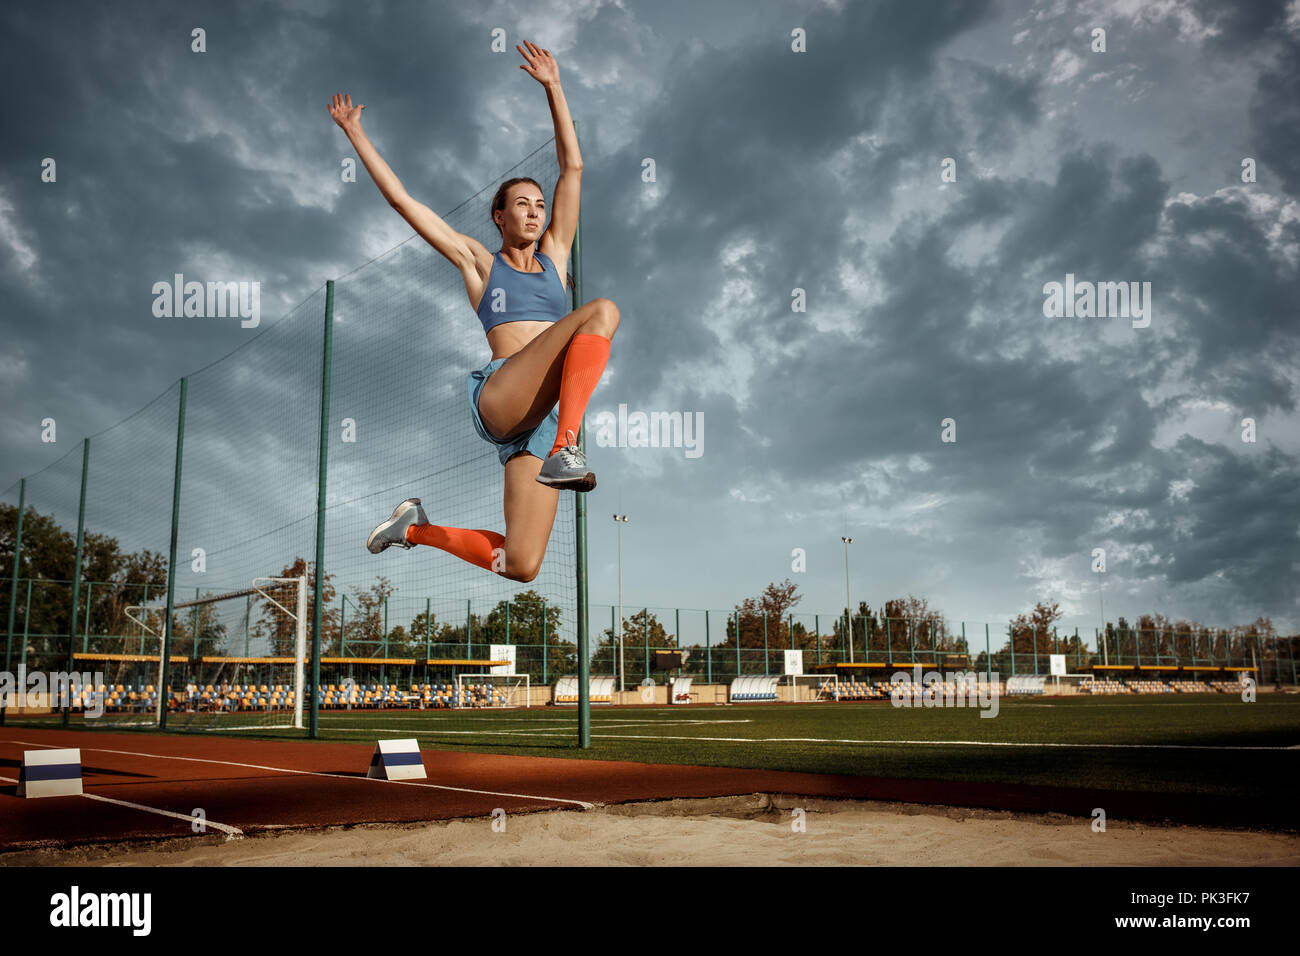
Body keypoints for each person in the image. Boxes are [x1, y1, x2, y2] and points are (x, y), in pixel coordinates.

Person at [329, 41, 618, 583]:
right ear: (499, 216)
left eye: (540, 205)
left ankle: (411, 528)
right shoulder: (480, 264)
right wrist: (355, 134)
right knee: (601, 311)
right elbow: (403, 203)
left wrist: (554, 87)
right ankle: (566, 449)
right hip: (503, 397)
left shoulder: (555, 258)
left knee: (524, 564)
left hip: (543, 419)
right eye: (522, 205)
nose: (534, 212)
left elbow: (572, 167)